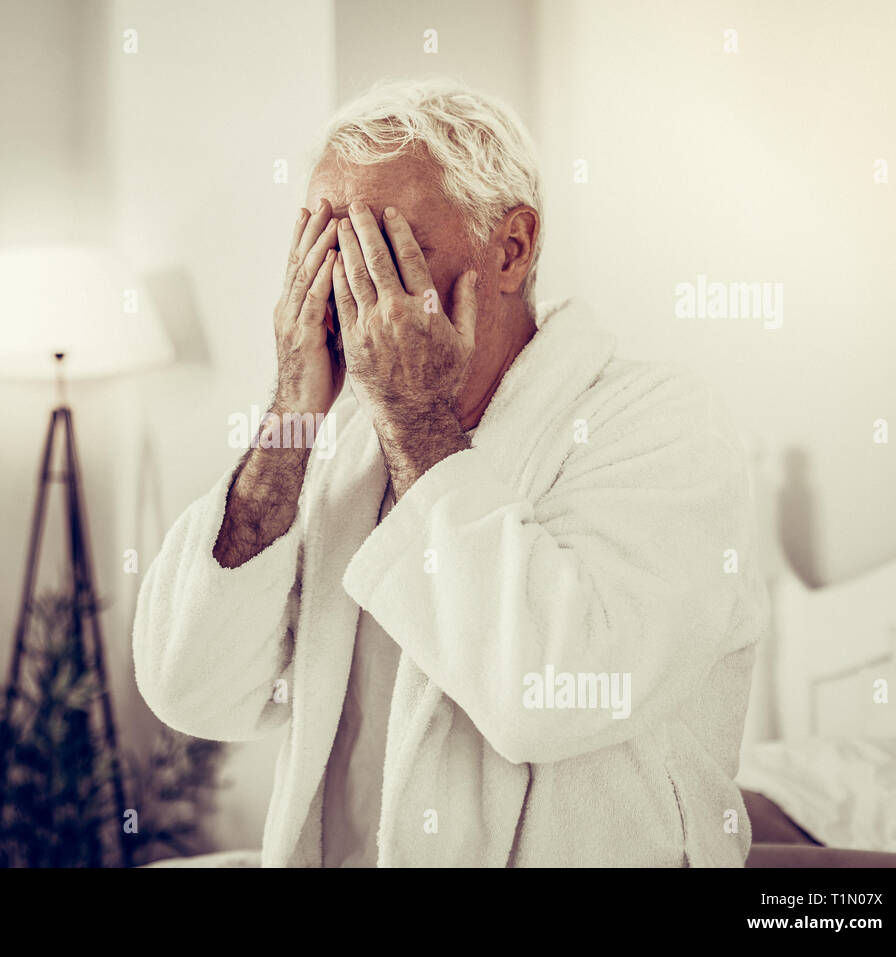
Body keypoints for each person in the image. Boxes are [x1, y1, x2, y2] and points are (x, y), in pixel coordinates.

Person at [133, 77, 770, 867]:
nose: (345, 285)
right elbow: (191, 690)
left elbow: (548, 693)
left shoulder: (663, 423)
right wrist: (293, 411)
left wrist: (413, 416)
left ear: (511, 249)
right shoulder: (339, 450)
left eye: (382, 250)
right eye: (327, 249)